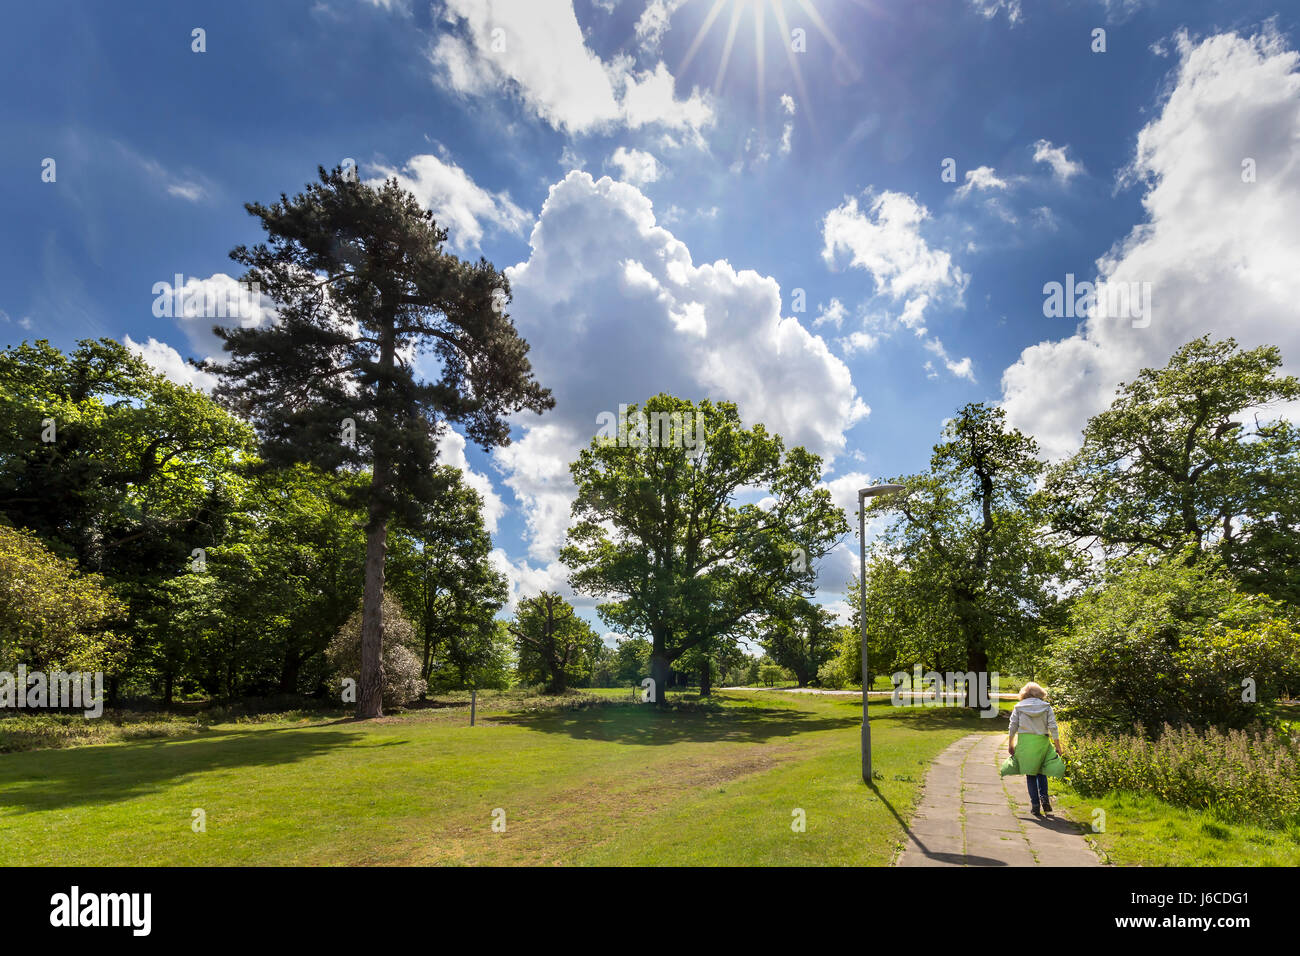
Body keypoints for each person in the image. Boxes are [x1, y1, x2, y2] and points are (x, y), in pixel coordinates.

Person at [1006, 682, 1063, 817]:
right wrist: (1057, 745)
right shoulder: (1046, 707)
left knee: (1030, 774)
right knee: (1041, 772)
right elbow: (1053, 727)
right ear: (1040, 693)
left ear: (1024, 693)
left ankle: (1035, 805)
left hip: (1026, 742)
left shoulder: (1019, 707)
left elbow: (1013, 726)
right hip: (1041, 741)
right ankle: (1044, 798)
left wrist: (1010, 744)